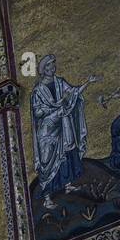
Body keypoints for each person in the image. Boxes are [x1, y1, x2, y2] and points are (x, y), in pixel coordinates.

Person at [30, 54, 98, 211]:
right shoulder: (38, 91)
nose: (52, 68)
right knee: (47, 161)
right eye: (48, 66)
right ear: (42, 70)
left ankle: (68, 185)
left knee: (68, 152)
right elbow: (38, 112)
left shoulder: (60, 83)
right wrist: (56, 107)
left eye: (53, 65)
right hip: (48, 130)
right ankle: (47, 198)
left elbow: (74, 93)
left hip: (64, 124)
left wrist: (88, 82)